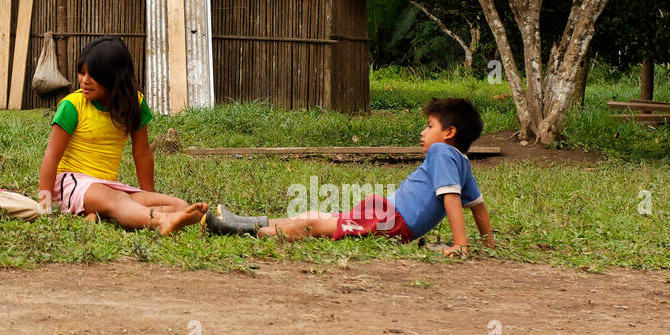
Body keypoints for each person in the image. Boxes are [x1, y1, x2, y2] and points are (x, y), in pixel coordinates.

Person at [204, 97, 496, 256]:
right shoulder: (462, 163)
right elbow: (479, 208)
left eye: (429, 125)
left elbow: (452, 199)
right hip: (385, 215)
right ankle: (245, 221)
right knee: (315, 215)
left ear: (449, 133)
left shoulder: (441, 153)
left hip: (390, 221)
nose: (423, 131)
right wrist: (489, 246)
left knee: (312, 224)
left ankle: (241, 230)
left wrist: (460, 245)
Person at [38, 36, 206, 235]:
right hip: (69, 183)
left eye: (94, 75)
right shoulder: (72, 106)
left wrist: (148, 196)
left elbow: (142, 153)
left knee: (179, 205)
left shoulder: (134, 103)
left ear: (114, 77)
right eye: (82, 72)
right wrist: (44, 209)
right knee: (119, 201)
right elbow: (51, 157)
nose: (85, 80)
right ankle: (161, 222)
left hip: (108, 187)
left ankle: (98, 213)